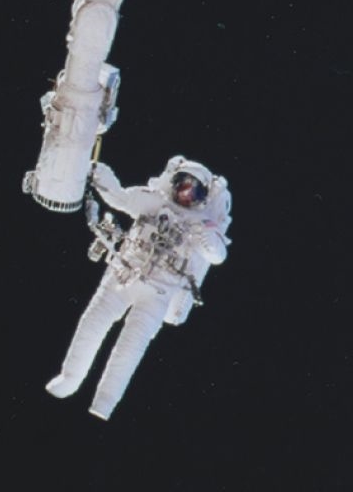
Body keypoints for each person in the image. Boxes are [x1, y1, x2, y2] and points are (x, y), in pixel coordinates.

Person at [46, 156, 230, 418]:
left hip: (158, 294)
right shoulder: (156, 201)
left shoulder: (203, 225)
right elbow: (120, 198)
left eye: (194, 189)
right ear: (173, 183)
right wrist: (98, 172)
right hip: (123, 276)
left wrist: (205, 234)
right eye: (182, 184)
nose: (186, 192)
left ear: (203, 196)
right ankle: (69, 379)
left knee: (129, 348)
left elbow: (218, 255)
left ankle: (104, 403)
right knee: (92, 325)